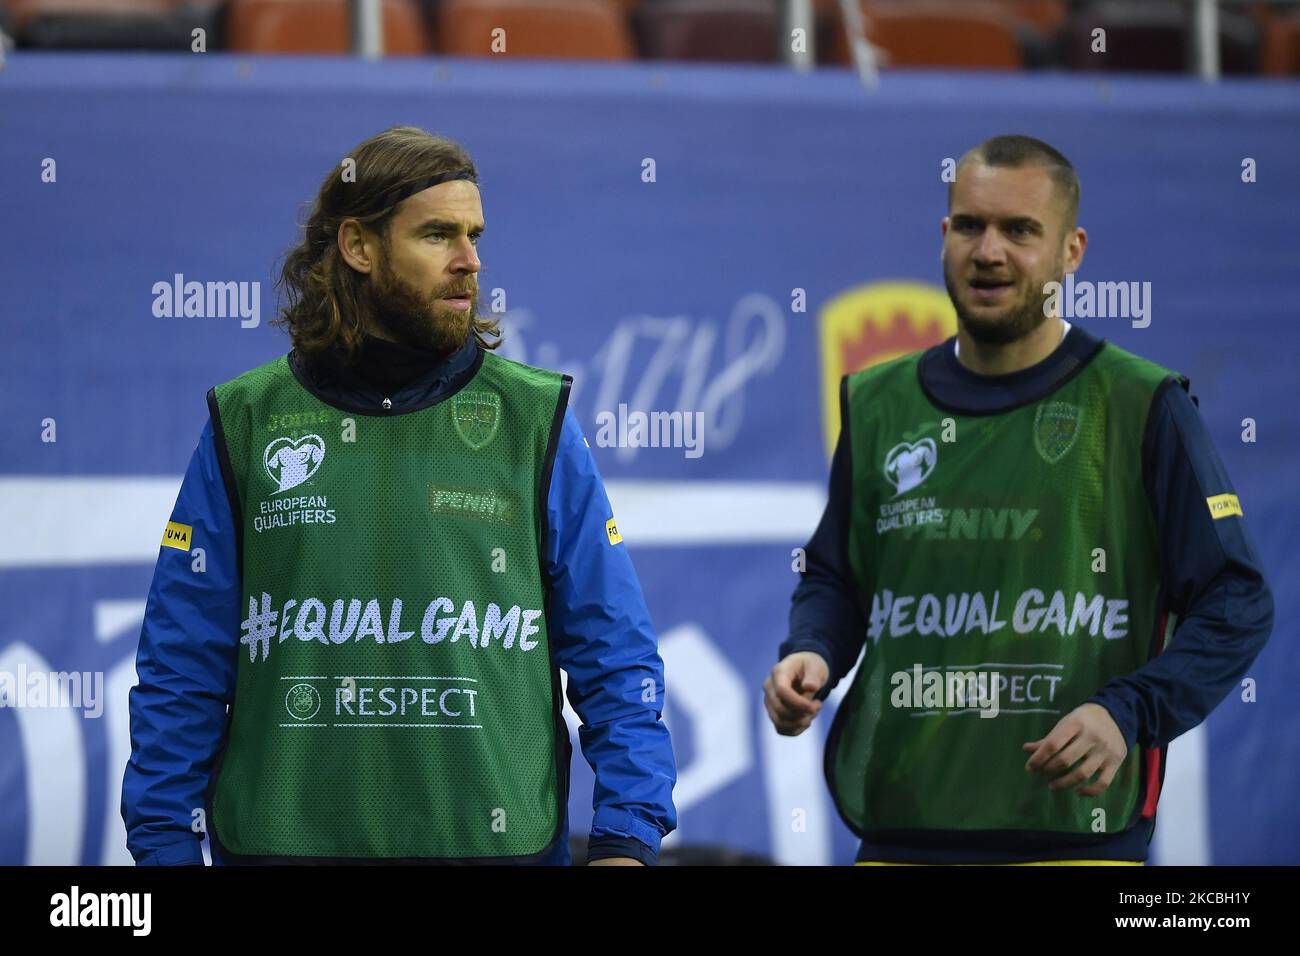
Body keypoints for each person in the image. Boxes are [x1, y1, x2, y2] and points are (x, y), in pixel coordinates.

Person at [122, 126, 676, 866]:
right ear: (358, 246)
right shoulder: (248, 420)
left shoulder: (534, 421)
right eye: (438, 235)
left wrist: (626, 839)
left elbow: (616, 653)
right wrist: (163, 845)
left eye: (475, 236)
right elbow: (182, 665)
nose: (469, 262)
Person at [764, 135, 1273, 865]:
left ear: (1072, 251)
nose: (989, 251)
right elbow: (837, 577)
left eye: (1020, 230)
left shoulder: (1140, 404)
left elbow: (1236, 599)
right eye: (969, 225)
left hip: (1071, 836)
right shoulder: (878, 403)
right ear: (944, 237)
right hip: (903, 830)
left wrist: (1127, 711)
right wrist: (810, 653)